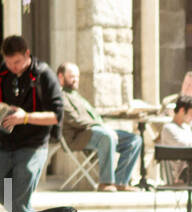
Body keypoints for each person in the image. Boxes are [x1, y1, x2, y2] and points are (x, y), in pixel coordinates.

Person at [0, 35, 63, 212]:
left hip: (34, 144)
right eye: (9, 63)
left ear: (27, 54)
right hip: (7, 143)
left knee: (19, 196)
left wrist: (25, 117)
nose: (13, 67)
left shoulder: (44, 74)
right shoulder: (1, 74)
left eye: (17, 62)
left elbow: (56, 116)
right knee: (2, 192)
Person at [56, 62, 142, 192]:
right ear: (60, 77)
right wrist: (102, 127)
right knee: (106, 136)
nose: (76, 80)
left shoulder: (77, 96)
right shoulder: (60, 97)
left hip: (96, 131)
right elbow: (74, 120)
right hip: (78, 137)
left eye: (77, 76)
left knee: (134, 140)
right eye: (72, 76)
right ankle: (105, 182)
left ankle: (120, 181)